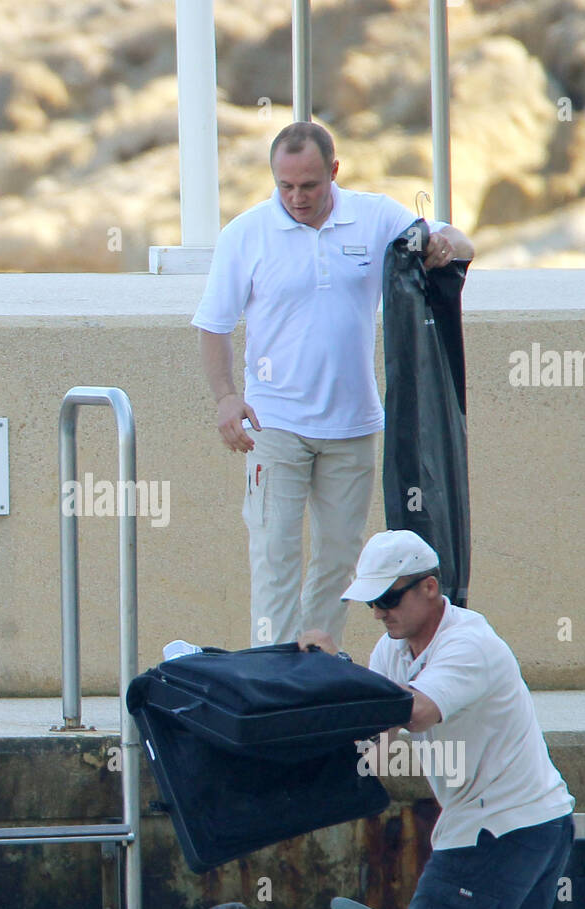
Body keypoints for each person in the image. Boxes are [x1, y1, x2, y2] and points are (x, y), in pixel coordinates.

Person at [193, 121, 474, 649]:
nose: (297, 198)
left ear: (334, 173)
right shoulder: (246, 233)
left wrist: (442, 242)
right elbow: (213, 324)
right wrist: (226, 397)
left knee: (341, 562)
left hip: (352, 424)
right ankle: (273, 679)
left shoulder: (373, 216)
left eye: (309, 186)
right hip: (273, 422)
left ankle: (319, 675)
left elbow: (458, 242)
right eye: (285, 186)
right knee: (275, 557)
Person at [299, 530, 575, 909]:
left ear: (430, 588)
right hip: (537, 822)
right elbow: (380, 741)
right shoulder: (393, 648)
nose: (379, 613)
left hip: (497, 829)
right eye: (371, 603)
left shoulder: (468, 644)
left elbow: (419, 711)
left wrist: (342, 670)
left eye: (388, 598)